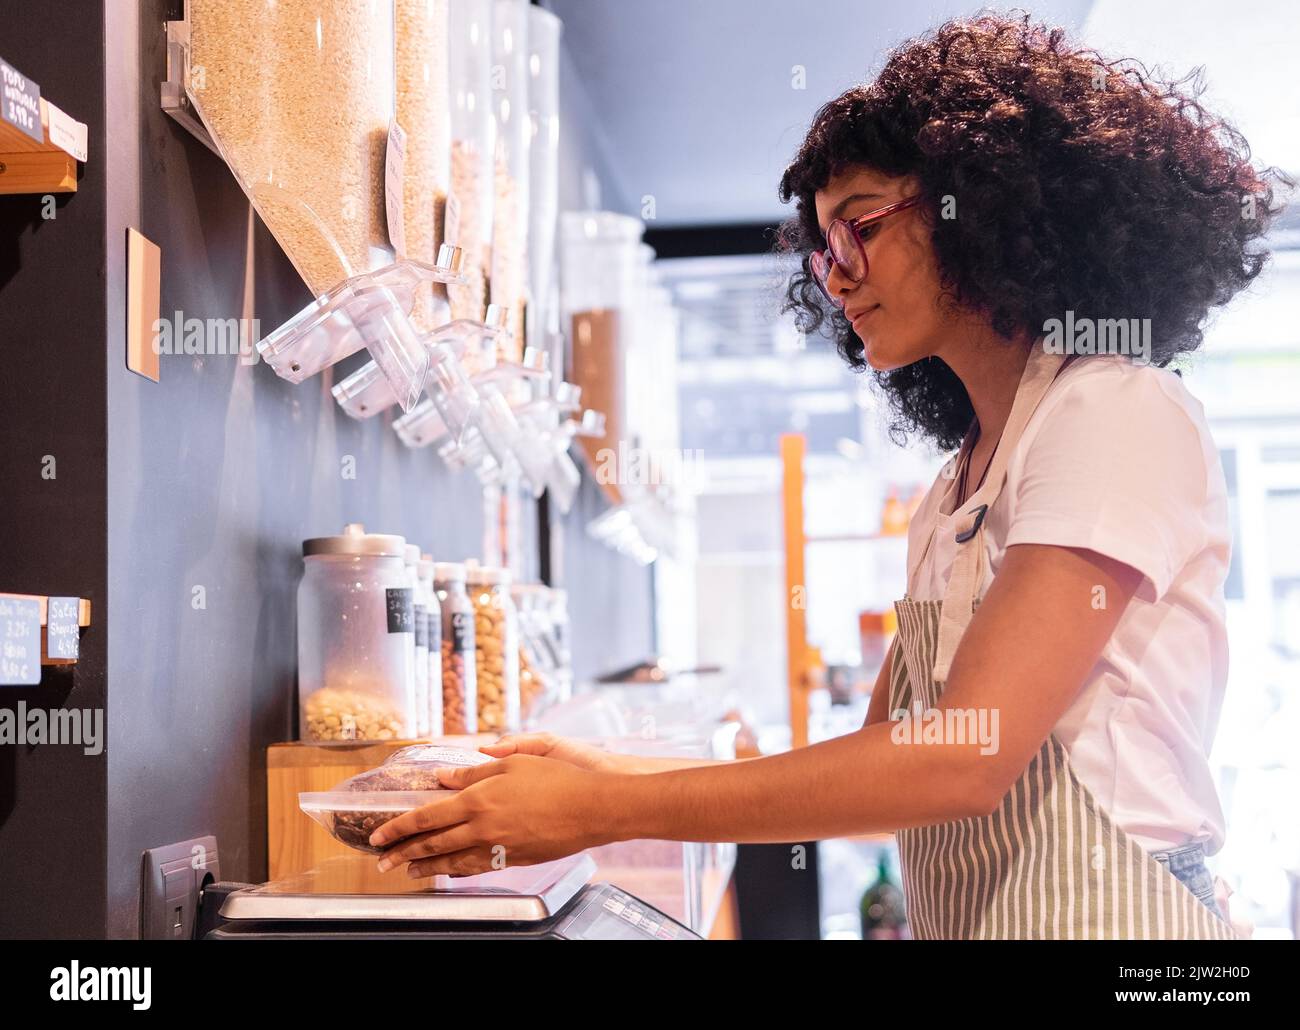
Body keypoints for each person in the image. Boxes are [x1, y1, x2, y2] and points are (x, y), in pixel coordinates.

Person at [369, 14, 1286, 939]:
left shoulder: (1114, 410)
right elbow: (883, 756)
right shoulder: (958, 485)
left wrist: (604, 812)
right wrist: (605, 776)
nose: (838, 277)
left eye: (863, 226)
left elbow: (961, 761)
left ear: (987, 205)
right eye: (824, 246)